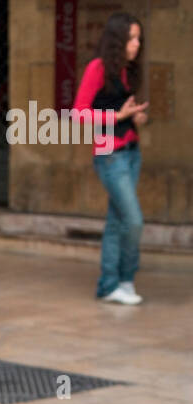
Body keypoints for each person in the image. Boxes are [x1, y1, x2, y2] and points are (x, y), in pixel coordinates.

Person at [73, 13, 149, 306]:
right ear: (118, 40)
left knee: (118, 220)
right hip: (108, 151)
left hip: (131, 150)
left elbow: (123, 110)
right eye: (132, 38)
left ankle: (117, 284)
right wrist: (118, 116)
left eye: (139, 38)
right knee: (133, 220)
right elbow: (79, 113)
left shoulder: (126, 71)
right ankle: (118, 281)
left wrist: (137, 117)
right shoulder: (97, 68)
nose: (137, 44)